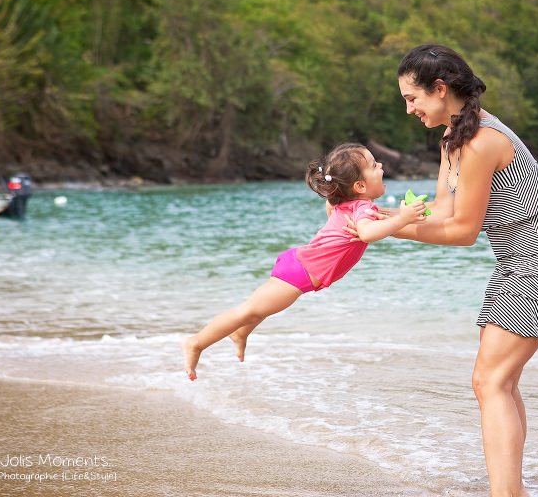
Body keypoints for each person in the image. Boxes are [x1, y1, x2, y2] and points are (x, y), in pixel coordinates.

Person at [359, 44, 538, 496]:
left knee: (490, 381)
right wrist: (385, 217)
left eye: (412, 98)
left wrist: (388, 231)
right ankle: (512, 489)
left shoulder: (481, 141)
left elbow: (462, 231)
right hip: (521, 262)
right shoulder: (454, 138)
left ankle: (506, 493)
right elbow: (443, 210)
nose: (408, 109)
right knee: (498, 382)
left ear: (441, 89)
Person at [182, 143, 427, 381]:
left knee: (261, 308)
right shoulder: (362, 207)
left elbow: (339, 210)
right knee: (249, 309)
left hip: (299, 265)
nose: (381, 165)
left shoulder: (349, 204)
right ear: (360, 185)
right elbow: (368, 233)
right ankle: (197, 342)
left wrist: (404, 215)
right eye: (374, 165)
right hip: (300, 271)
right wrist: (403, 218)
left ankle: (241, 332)